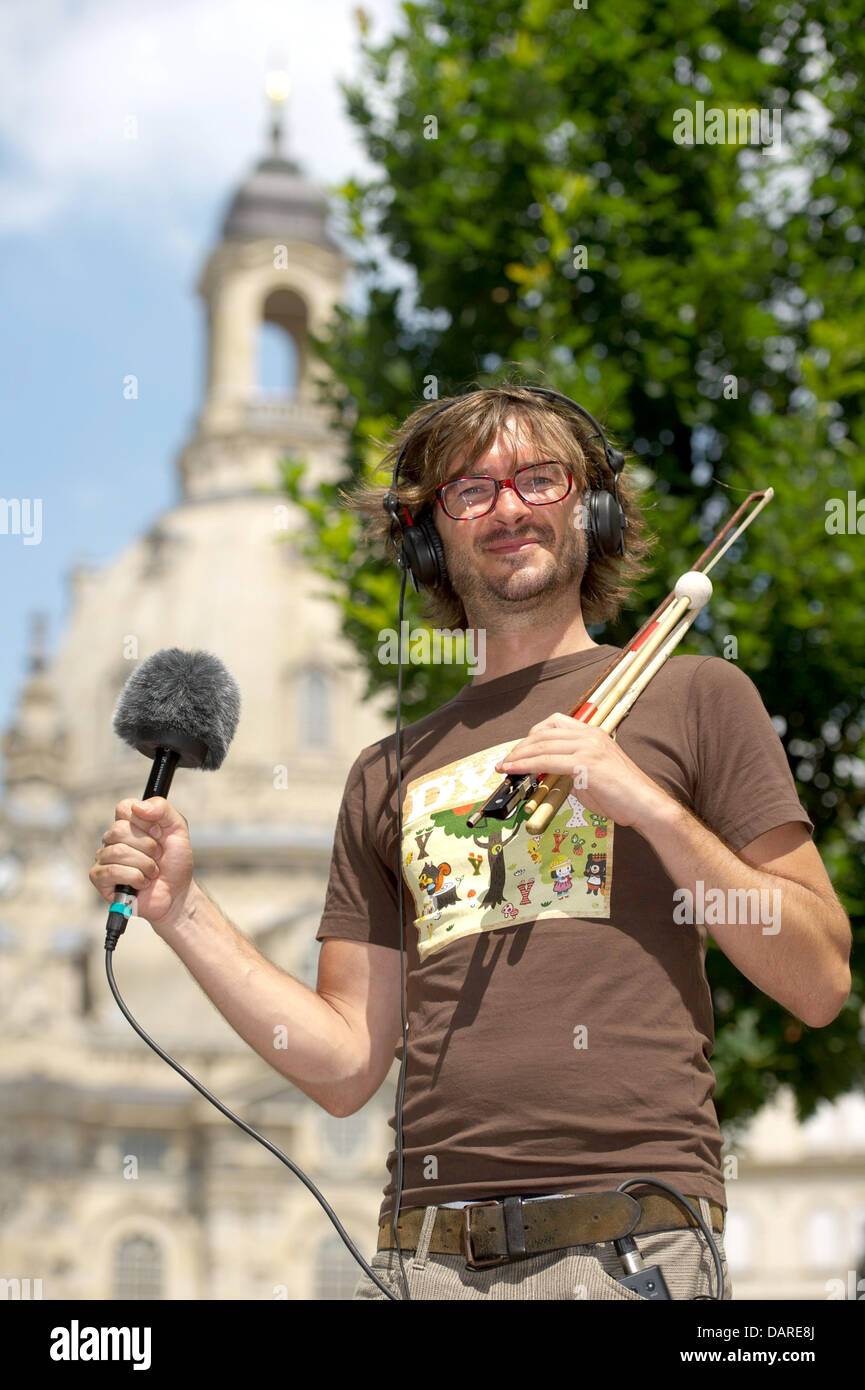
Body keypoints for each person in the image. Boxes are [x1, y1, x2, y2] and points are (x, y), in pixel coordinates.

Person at [89, 384, 852, 1302]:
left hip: (621, 1244)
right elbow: (342, 1067)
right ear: (426, 535)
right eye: (470, 490)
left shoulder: (693, 695)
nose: (508, 507)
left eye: (540, 478)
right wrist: (183, 911)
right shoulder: (386, 768)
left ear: (591, 507)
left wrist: (645, 805)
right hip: (421, 1259)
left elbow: (818, 981)